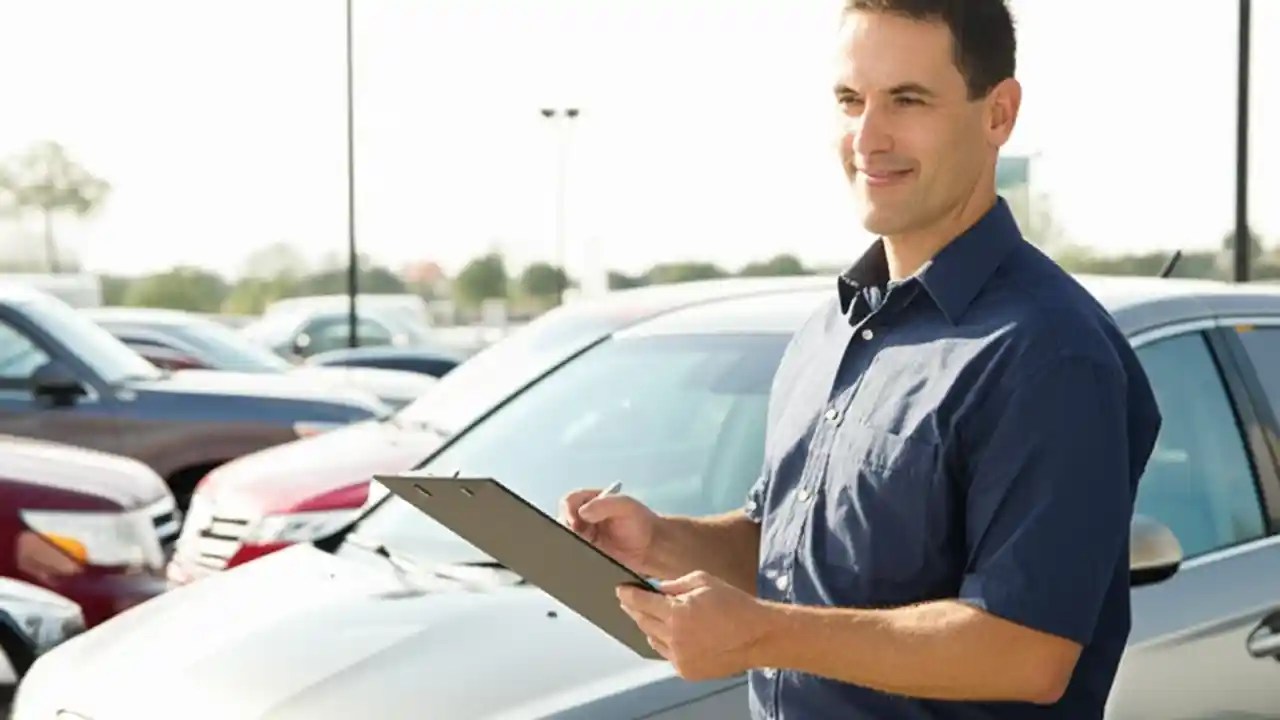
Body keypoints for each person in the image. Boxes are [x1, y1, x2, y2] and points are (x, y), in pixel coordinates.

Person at [560, 0, 1164, 718]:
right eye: (851, 100)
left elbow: (1027, 651)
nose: (867, 137)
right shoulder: (833, 329)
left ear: (998, 113)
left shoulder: (1050, 353)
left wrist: (764, 635)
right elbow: (785, 556)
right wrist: (660, 541)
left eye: (907, 100)